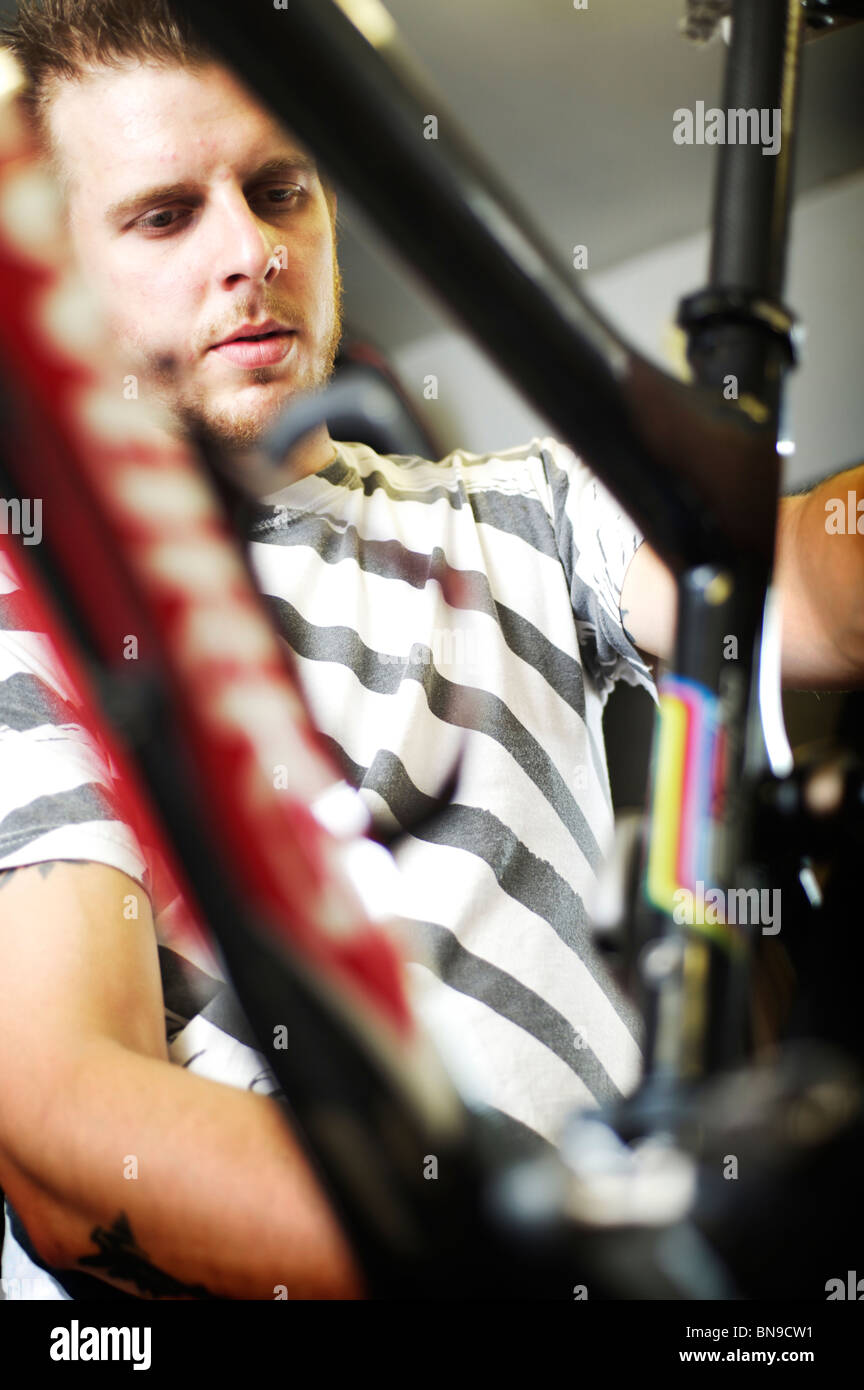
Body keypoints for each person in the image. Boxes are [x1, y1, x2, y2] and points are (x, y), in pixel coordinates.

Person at [0, 0, 861, 1301]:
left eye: (281, 189)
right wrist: (505, 1245)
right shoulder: (42, 599)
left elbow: (809, 594)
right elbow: (68, 1125)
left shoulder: (518, 503)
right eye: (167, 215)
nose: (253, 250)